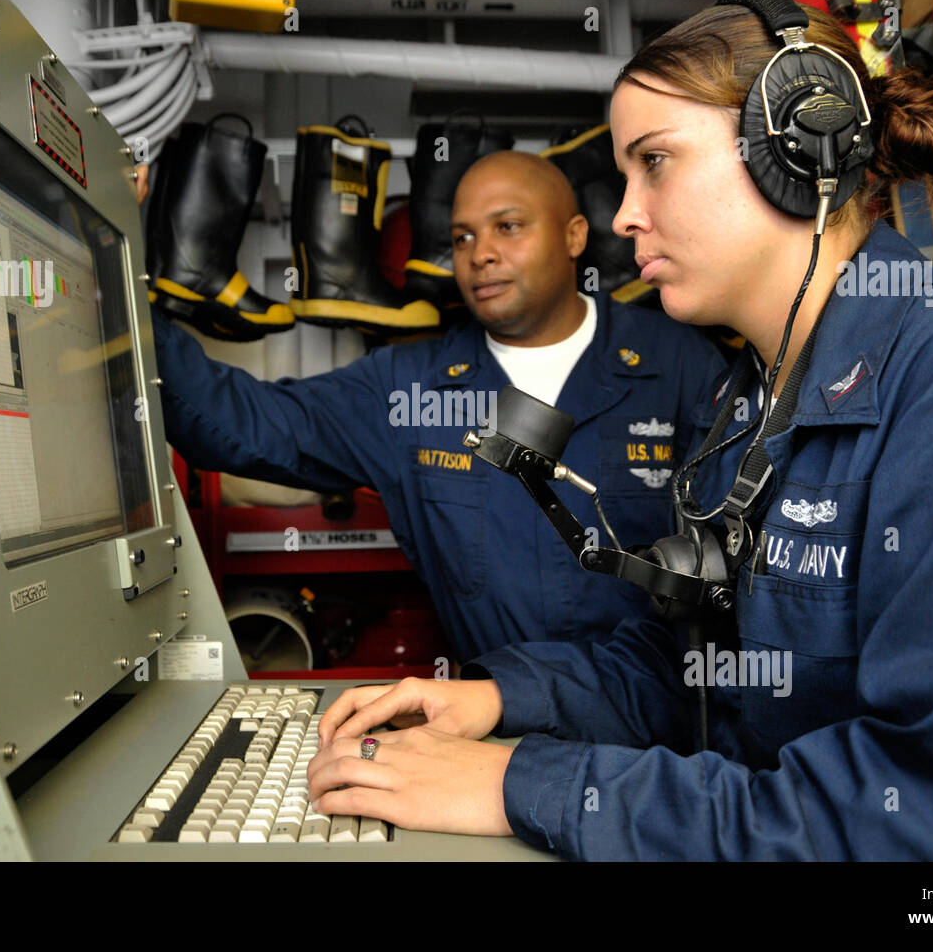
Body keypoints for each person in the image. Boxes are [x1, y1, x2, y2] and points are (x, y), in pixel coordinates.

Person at [302, 0, 933, 859]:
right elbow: (699, 675)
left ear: (801, 147)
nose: (624, 214)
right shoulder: (745, 406)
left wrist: (518, 782)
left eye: (656, 162)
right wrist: (497, 701)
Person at [148, 149, 728, 660]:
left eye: (508, 226)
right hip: (495, 739)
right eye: (462, 238)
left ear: (575, 235)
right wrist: (124, 278)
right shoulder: (411, 388)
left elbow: (738, 569)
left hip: (658, 746)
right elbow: (243, 426)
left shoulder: (679, 364)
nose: (480, 255)